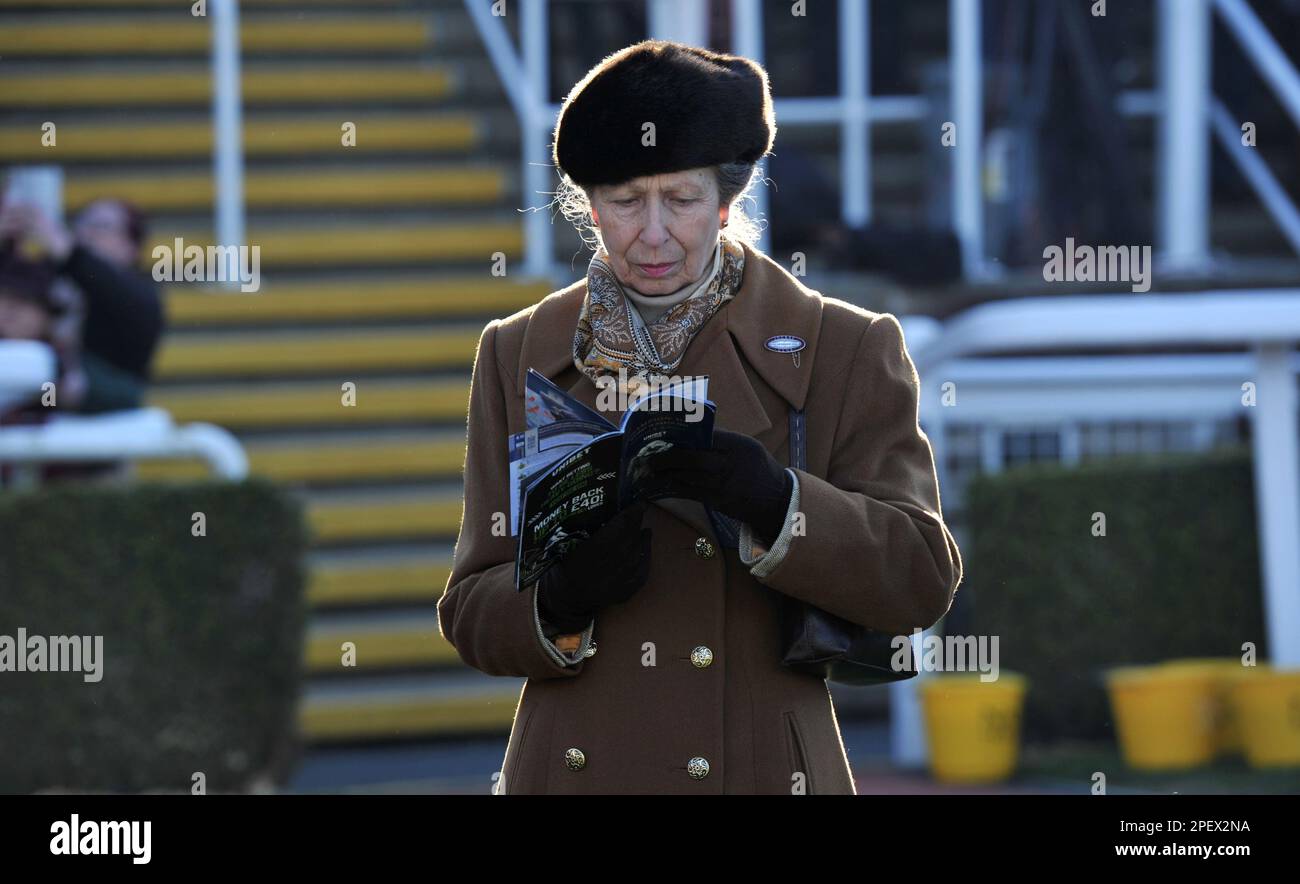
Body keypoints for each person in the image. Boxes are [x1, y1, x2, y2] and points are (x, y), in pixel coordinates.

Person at [437, 40, 964, 794]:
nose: (652, 234)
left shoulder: (843, 346)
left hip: (756, 766)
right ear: (587, 207)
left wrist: (780, 508)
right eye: (624, 203)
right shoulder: (517, 351)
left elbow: (921, 577)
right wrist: (557, 599)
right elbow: (469, 609)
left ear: (726, 201)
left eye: (680, 201)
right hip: (576, 765)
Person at [0, 197, 165, 410]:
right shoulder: (54, 275)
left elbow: (109, 287)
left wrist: (70, 253)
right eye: (81, 224)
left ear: (131, 247)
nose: (87, 233)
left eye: (101, 226)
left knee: (52, 373)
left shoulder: (139, 294)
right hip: (43, 391)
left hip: (105, 398)